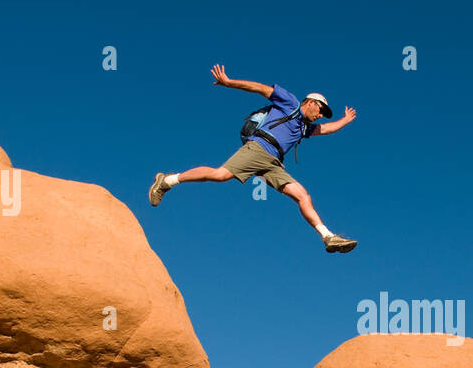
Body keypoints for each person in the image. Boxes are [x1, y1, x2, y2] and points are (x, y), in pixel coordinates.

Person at [149, 64, 358, 253]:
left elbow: (326, 129)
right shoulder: (290, 102)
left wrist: (345, 121)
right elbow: (259, 88)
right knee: (220, 175)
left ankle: (327, 237)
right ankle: (167, 181)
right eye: (321, 110)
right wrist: (229, 82)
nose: (320, 115)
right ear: (311, 103)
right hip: (259, 148)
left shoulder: (304, 127)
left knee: (303, 196)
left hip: (274, 163)